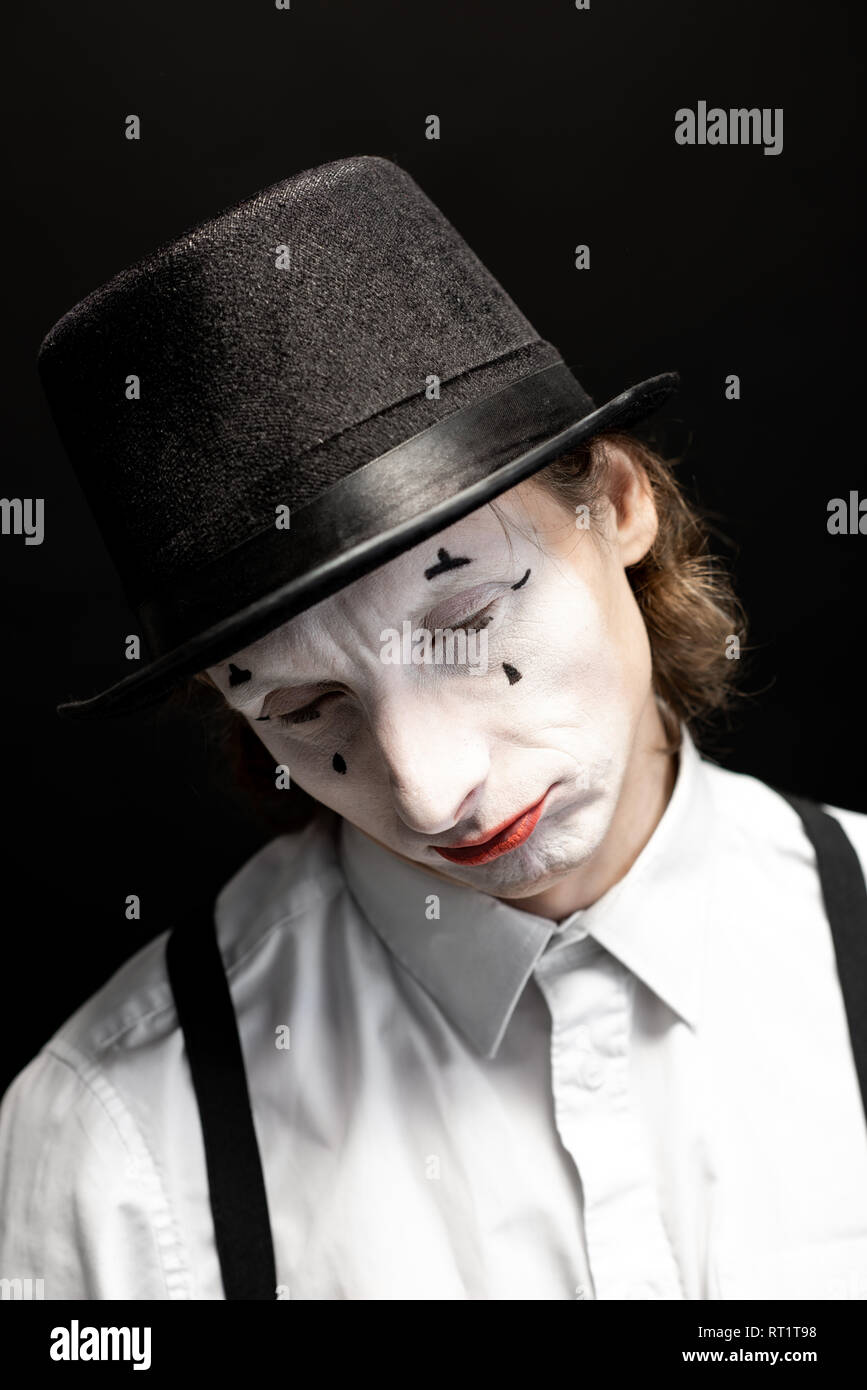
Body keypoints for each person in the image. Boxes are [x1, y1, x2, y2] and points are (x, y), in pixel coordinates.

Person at [1, 154, 865, 1301]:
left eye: (461, 623)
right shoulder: (115, 1136)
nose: (426, 789)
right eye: (305, 709)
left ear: (613, 503)